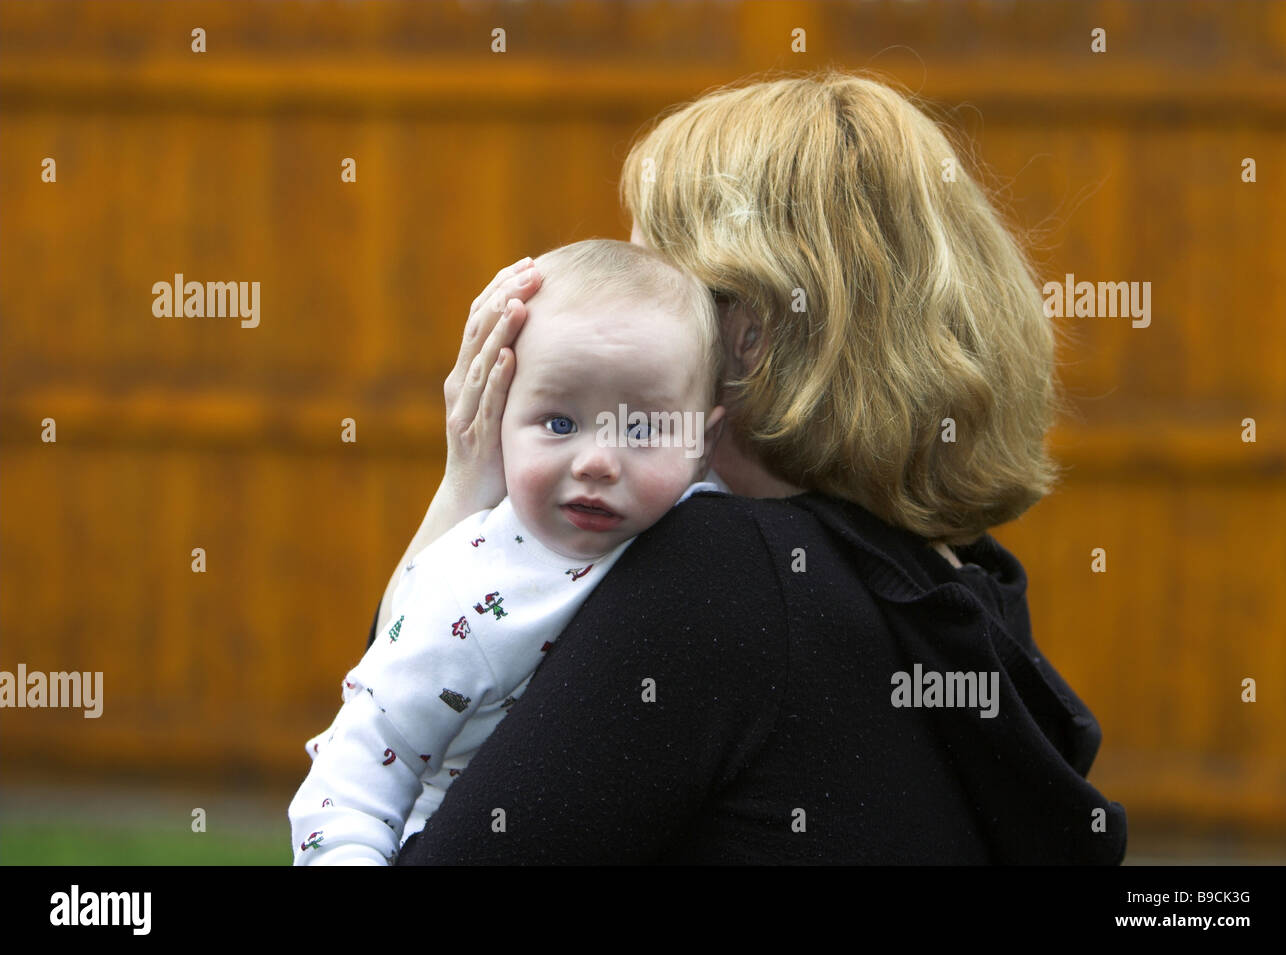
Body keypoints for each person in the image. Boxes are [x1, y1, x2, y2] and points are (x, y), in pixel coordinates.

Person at [378, 69, 1128, 864]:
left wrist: (472, 477)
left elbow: (401, 732)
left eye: (656, 290)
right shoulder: (958, 588)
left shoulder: (725, 576)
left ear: (752, 336)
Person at [290, 239, 726, 864]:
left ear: (704, 443)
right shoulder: (469, 590)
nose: (598, 461)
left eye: (643, 428)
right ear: (497, 419)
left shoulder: (707, 529)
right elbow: (348, 782)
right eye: (558, 423)